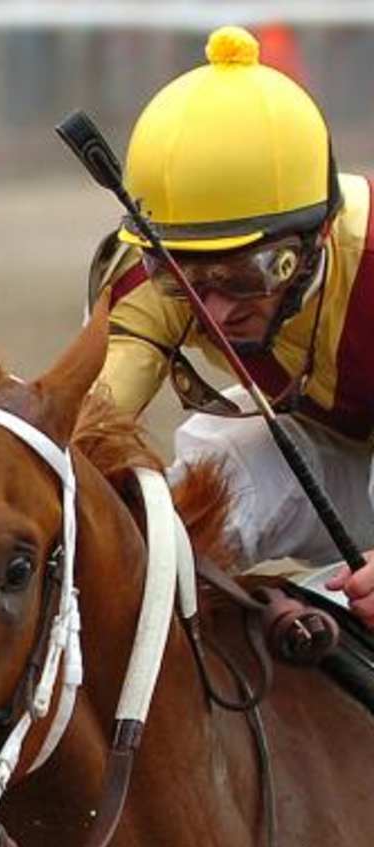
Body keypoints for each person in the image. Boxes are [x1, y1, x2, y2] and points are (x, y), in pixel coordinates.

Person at [88, 25, 374, 628]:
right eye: (184, 279)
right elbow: (86, 425)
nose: (215, 312)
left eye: (247, 275)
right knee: (214, 470)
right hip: (335, 446)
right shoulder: (145, 279)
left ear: (320, 234)